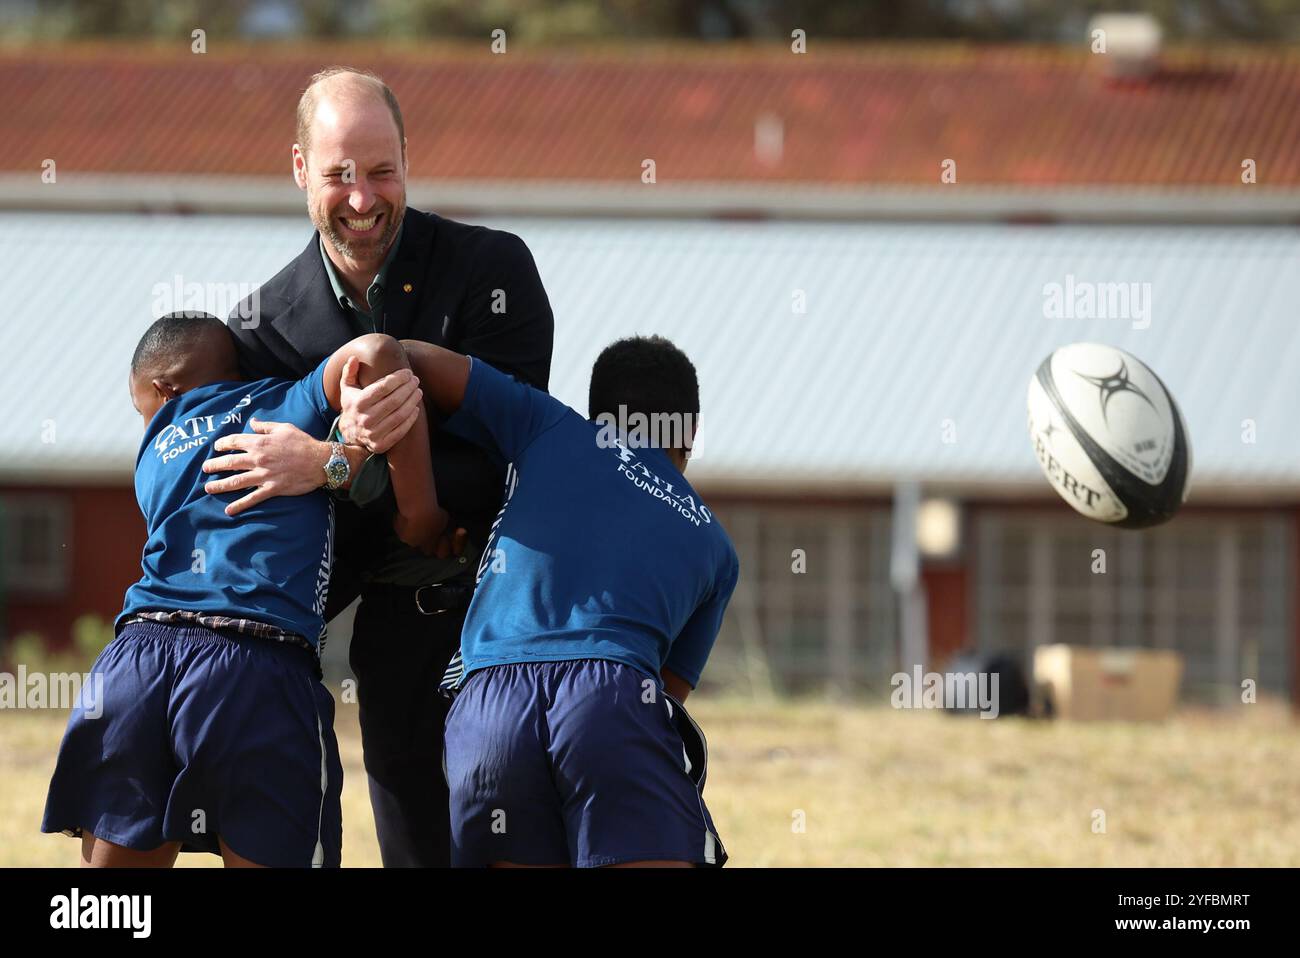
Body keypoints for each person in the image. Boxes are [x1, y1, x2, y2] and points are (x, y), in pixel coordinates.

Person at [209, 66, 554, 867]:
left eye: (381, 171)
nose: (362, 198)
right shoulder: (256, 334)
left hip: (510, 621)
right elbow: (257, 504)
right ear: (300, 169)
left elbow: (499, 462)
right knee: (415, 842)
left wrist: (338, 459)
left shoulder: (495, 272)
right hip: (387, 635)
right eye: (338, 174)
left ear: (408, 157)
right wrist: (352, 466)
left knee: (524, 831)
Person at [42, 314, 436, 867]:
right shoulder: (287, 407)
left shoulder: (155, 447)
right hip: (256, 660)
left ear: (163, 389)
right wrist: (379, 483)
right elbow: (376, 348)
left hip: (137, 659)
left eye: (141, 408)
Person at [396, 334, 739, 867]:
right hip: (610, 697)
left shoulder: (551, 425)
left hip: (487, 708)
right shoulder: (716, 545)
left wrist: (418, 508)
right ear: (690, 432)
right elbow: (664, 695)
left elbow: (401, 354)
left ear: (596, 411)